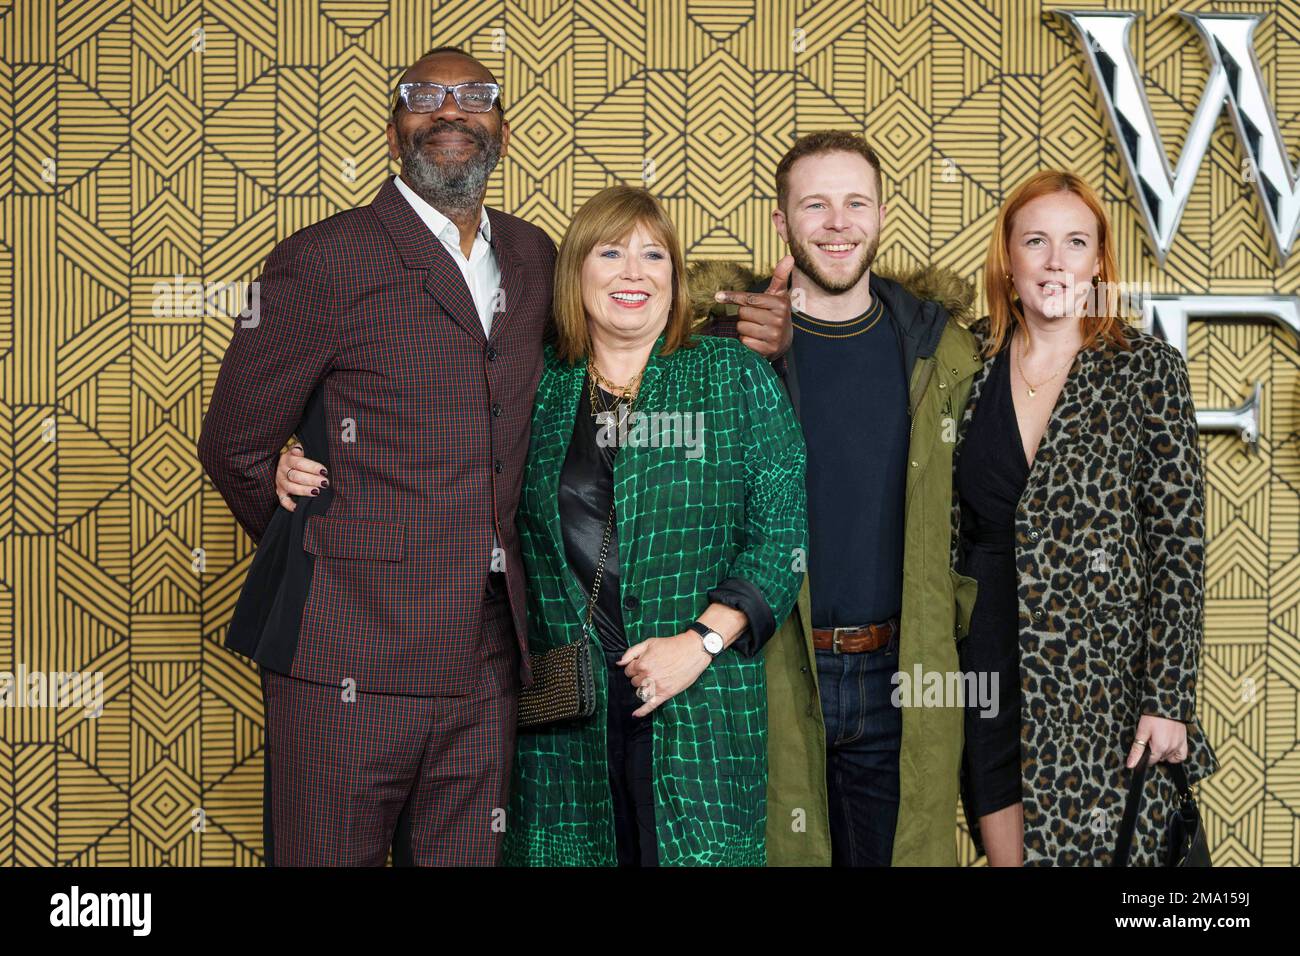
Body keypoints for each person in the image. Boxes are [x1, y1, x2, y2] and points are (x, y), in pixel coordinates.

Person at [198, 45, 791, 866]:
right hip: (347, 653)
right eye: (425, 96)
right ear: (394, 125)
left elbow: (632, 324)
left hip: (489, 666)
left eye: (473, 96)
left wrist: (762, 330)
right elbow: (235, 443)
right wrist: (316, 530)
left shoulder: (531, 256)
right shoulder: (324, 258)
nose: (450, 111)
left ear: (502, 129)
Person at [718, 130, 984, 866]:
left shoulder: (939, 348)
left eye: (855, 202)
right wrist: (733, 365)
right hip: (767, 669)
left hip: (901, 671)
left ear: (881, 212)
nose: (838, 223)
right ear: (781, 222)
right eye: (816, 205)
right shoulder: (723, 348)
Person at [954, 169, 1218, 865]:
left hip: (1107, 677)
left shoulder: (1145, 368)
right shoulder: (964, 367)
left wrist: (1169, 698)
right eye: (1035, 241)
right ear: (1007, 258)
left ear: (1100, 262)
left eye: (1076, 243)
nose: (1054, 262)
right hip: (988, 665)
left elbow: (1179, 545)